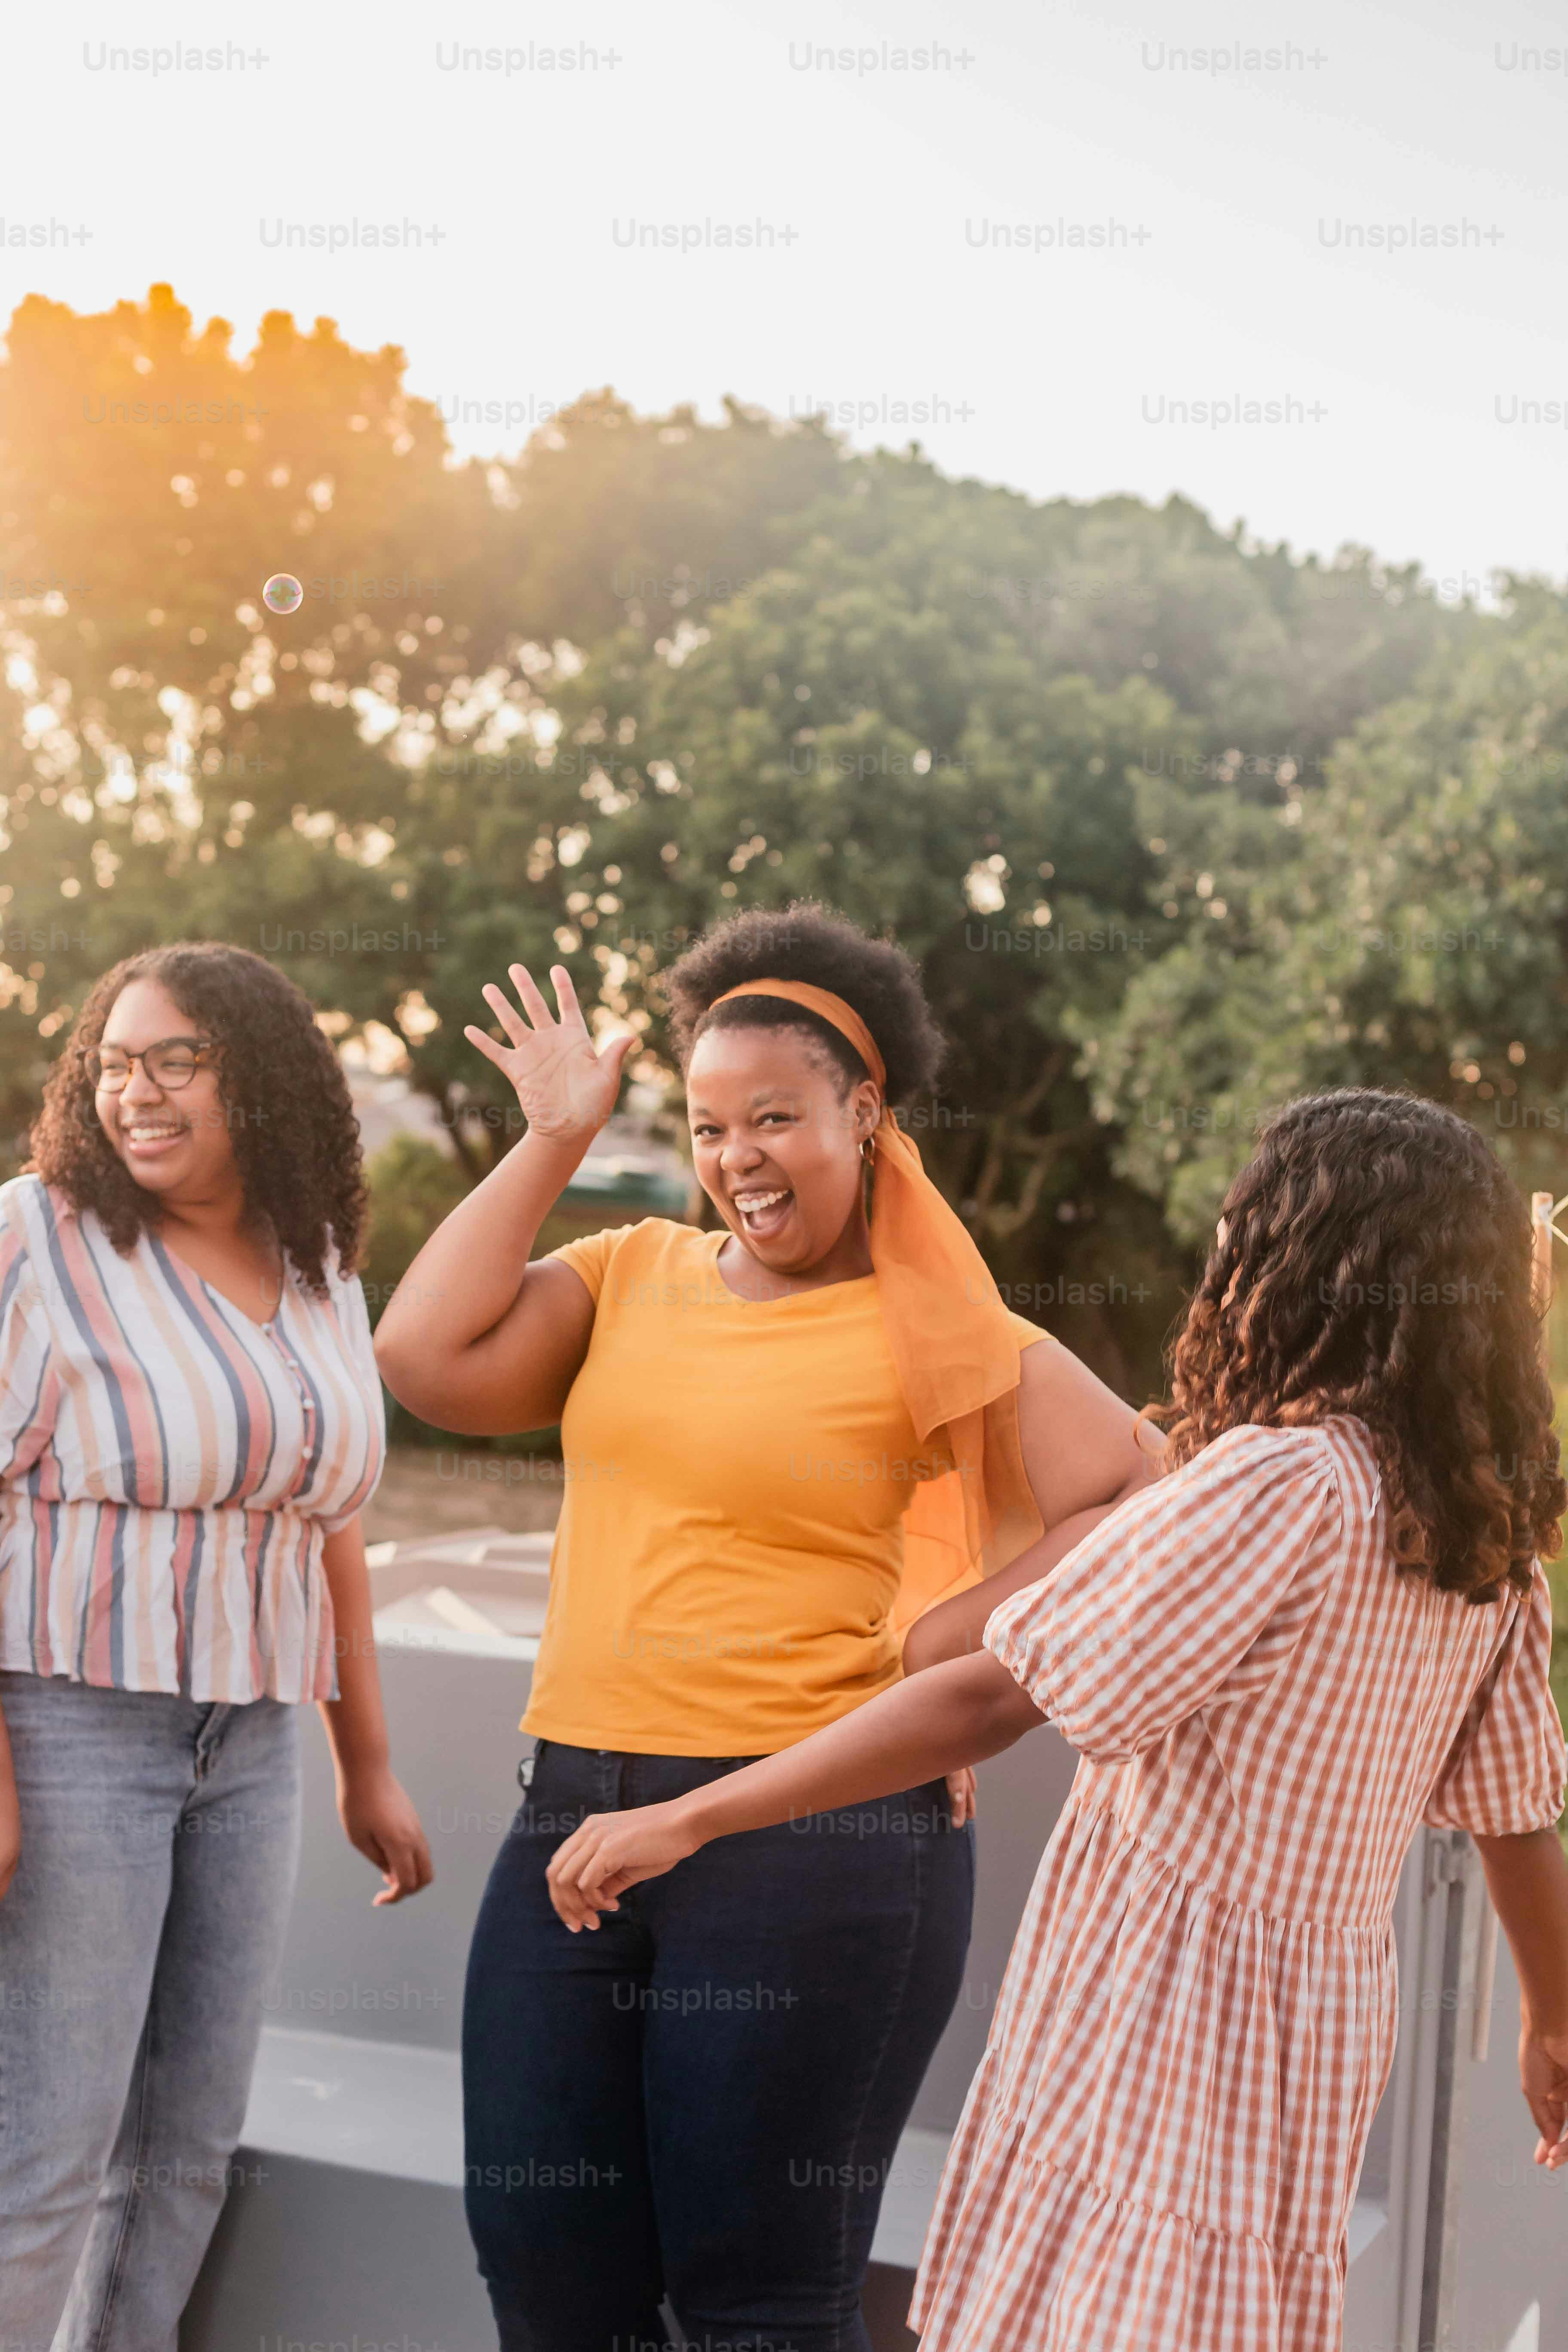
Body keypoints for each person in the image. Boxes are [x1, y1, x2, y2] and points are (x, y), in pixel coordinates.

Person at [549, 1088, 1568, 2352]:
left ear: (1295, 1258)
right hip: (1320, 2026)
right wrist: (1552, 2018)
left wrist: (692, 1816)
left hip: (1162, 2010)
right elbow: (1519, 1811)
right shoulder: (1484, 1534)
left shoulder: (1280, 1483)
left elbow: (992, 1692)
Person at [373, 903, 1161, 2352]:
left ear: (865, 1113)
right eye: (713, 1124)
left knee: (759, 2308)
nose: (739, 1158)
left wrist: (954, 1632)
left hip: (816, 1850)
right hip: (575, 1822)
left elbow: (1134, 1491)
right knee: (550, 2280)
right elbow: (422, 1358)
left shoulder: (949, 1328)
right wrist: (552, 1139)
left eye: (779, 1118)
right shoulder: (627, 1277)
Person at [0, 941, 432, 2352]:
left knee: (187, 2146)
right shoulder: (37, 1238)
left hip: (249, 1747)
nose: (138, 1090)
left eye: (175, 1059)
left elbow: (330, 1529)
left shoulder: (319, 1269)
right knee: (44, 2155)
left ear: (260, 1076)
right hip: (69, 1727)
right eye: (116, 1062)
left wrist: (367, 1768)